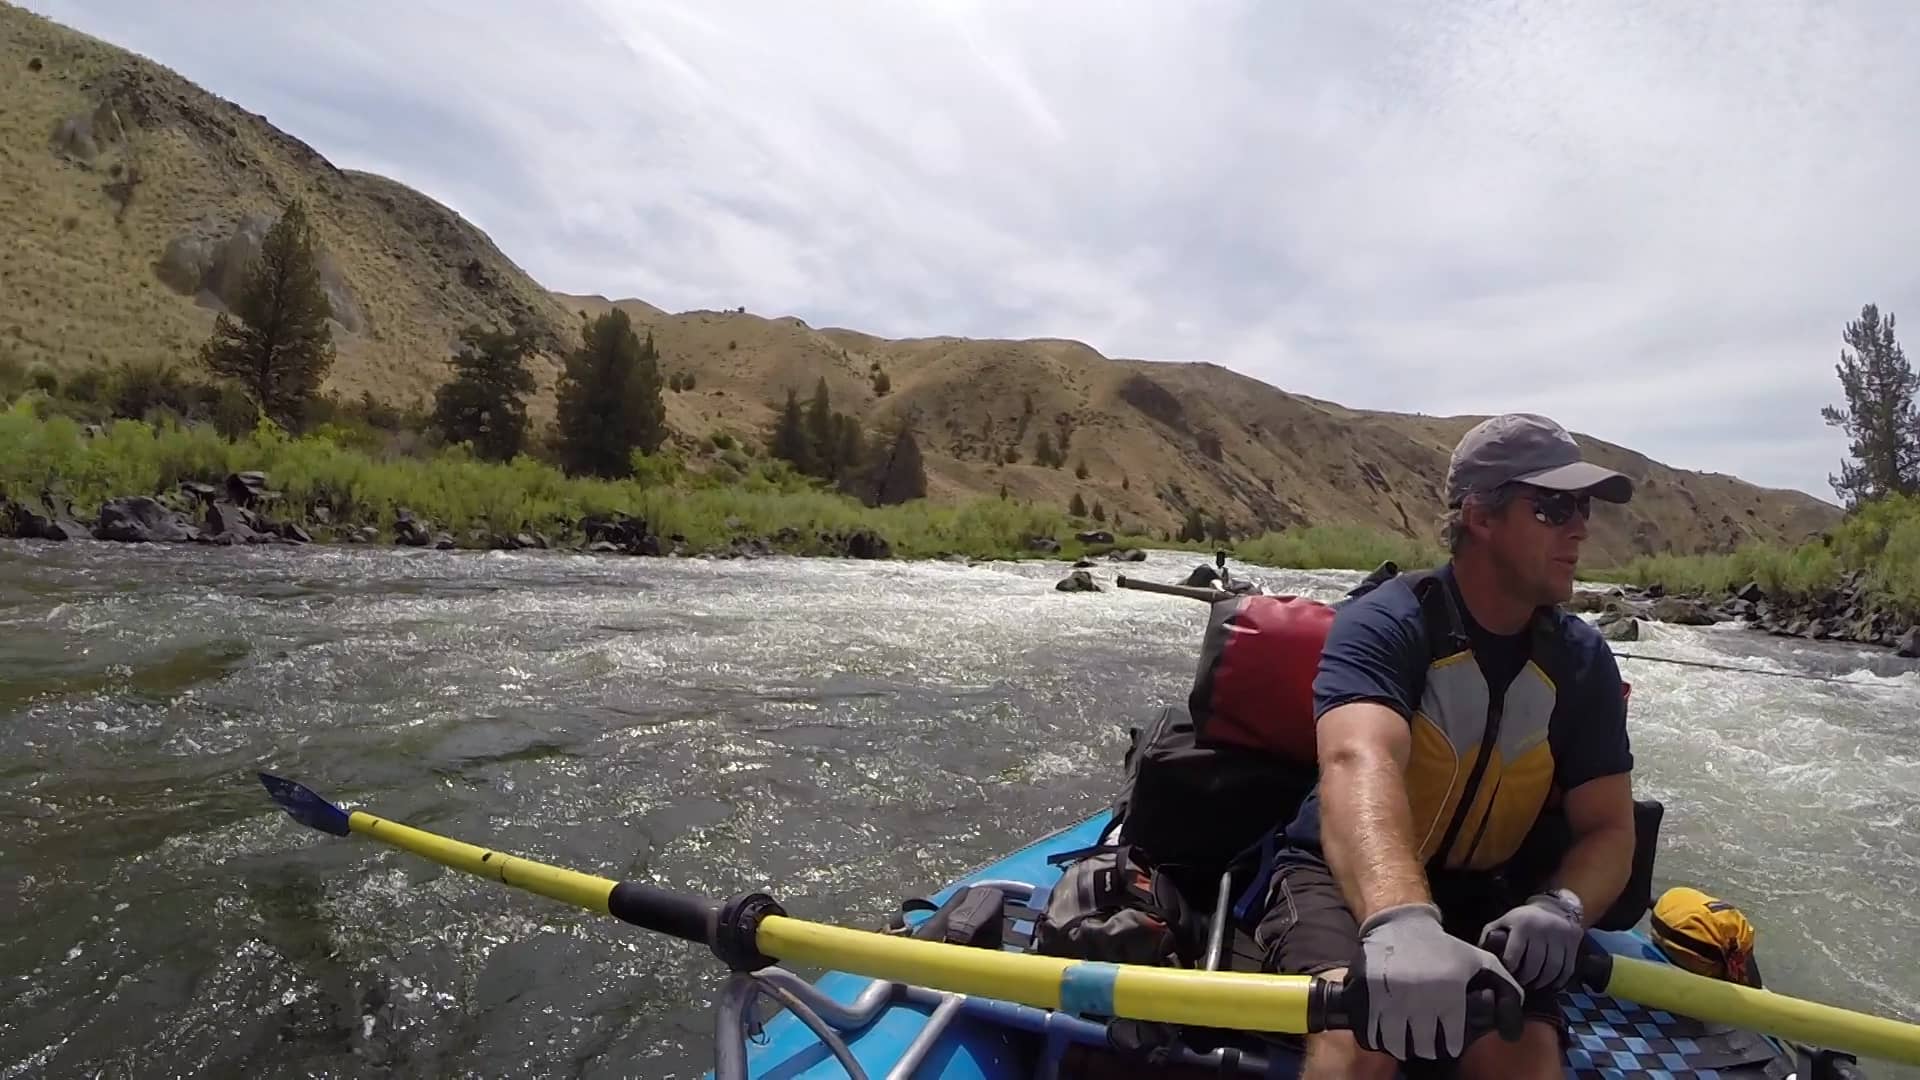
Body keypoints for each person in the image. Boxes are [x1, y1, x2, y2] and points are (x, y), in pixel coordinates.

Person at [1254, 413, 1640, 1077]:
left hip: (1490, 894)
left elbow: (1610, 829)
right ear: (1480, 517)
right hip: (1340, 880)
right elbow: (1358, 759)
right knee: (1362, 1036)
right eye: (1553, 506)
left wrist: (1563, 906)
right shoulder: (1387, 622)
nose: (1580, 526)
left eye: (1582, 506)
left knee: (1521, 1051)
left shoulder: (1582, 661)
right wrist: (1399, 918)